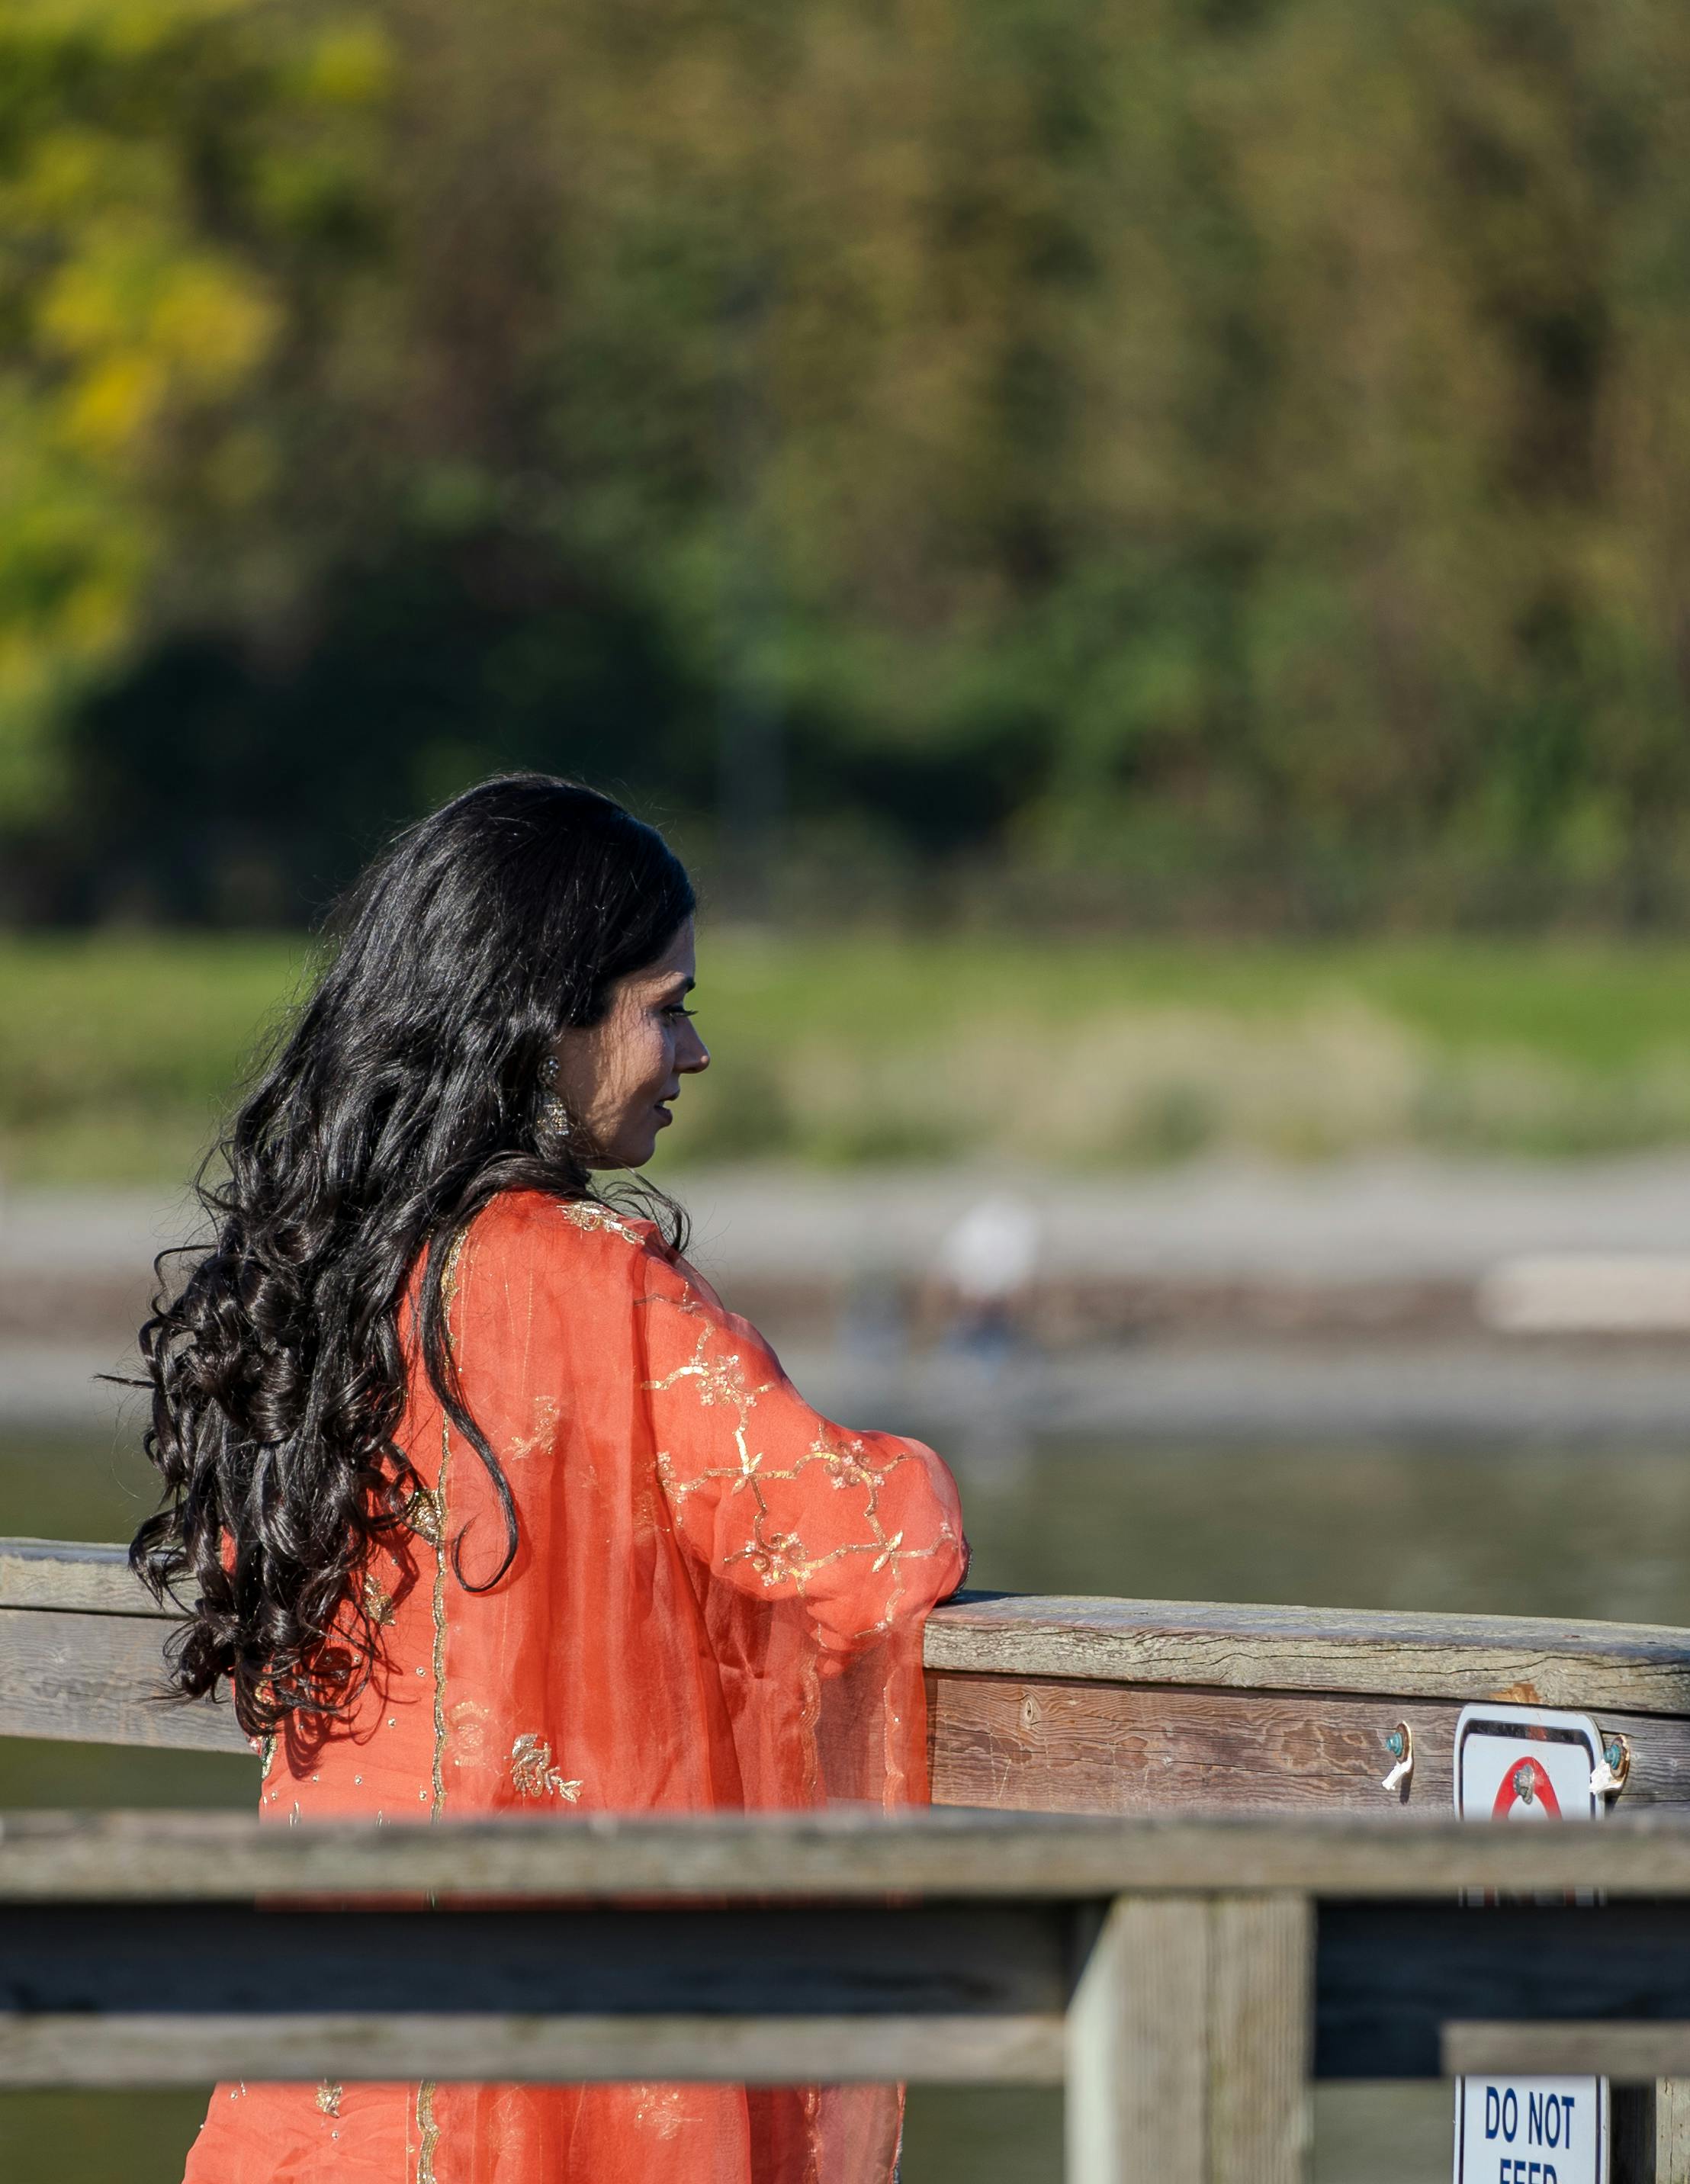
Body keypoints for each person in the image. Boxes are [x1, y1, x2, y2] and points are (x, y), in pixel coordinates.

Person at [133, 776, 969, 2184]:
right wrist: (919, 1469)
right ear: (542, 1019)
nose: (694, 1050)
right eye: (666, 1007)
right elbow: (863, 1541)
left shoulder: (319, 1282)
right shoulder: (594, 1284)